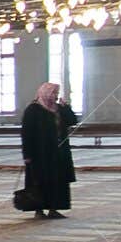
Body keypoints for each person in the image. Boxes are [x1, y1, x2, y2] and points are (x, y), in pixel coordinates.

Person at [20, 81, 77, 219]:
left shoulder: (58, 109)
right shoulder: (33, 109)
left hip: (58, 152)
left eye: (56, 93)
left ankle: (54, 208)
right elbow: (27, 133)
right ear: (44, 93)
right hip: (40, 153)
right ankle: (38, 210)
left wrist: (66, 107)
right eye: (53, 93)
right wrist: (27, 154)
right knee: (39, 180)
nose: (55, 96)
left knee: (57, 180)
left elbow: (72, 121)